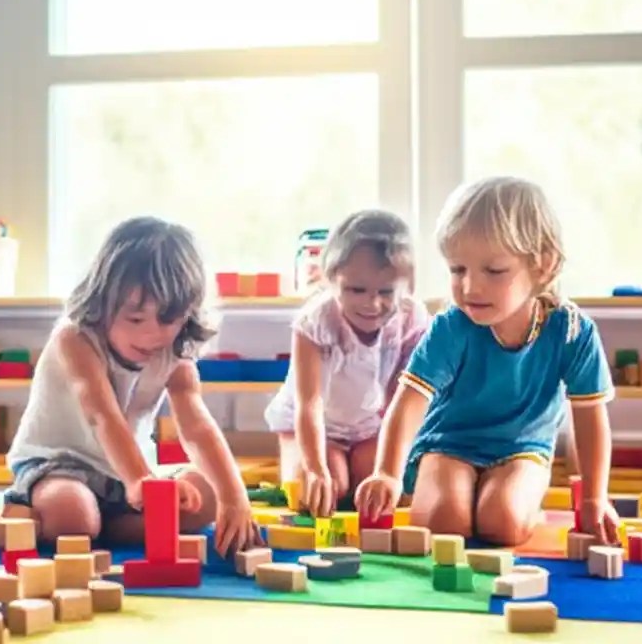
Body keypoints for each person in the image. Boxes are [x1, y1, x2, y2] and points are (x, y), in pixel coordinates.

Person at [356, 176, 619, 546]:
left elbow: (590, 417)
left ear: (543, 266)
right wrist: (387, 473)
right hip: (448, 444)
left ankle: (515, 496)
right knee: (444, 521)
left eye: (493, 271)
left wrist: (594, 498)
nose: (469, 287)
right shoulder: (452, 326)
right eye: (457, 269)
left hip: (522, 450)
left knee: (504, 523)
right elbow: (410, 400)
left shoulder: (573, 331)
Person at [5, 216, 262, 556]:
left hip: (129, 478)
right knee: (73, 516)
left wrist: (235, 497)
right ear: (103, 302)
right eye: (135, 319)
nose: (151, 335)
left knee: (210, 494)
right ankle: (36, 513)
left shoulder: (175, 353)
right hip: (59, 466)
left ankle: (108, 527)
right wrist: (141, 479)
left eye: (168, 320)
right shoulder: (76, 338)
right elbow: (102, 415)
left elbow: (197, 427)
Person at [264, 210, 428, 517]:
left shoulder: (411, 320)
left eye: (386, 292)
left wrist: (390, 470)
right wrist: (314, 468)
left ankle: (351, 466)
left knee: (379, 493)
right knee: (318, 493)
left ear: (408, 285)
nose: (372, 303)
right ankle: (317, 465)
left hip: (368, 426)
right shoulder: (316, 322)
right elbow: (309, 403)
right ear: (330, 279)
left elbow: (401, 400)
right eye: (356, 290)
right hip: (314, 426)